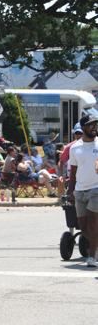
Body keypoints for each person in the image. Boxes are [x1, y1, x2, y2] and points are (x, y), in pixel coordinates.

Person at [66, 115, 98, 268]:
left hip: (96, 189)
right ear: (83, 127)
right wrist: (70, 191)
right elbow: (73, 171)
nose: (94, 127)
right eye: (91, 125)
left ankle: (92, 257)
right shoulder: (75, 148)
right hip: (80, 190)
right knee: (83, 226)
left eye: (95, 124)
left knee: (92, 222)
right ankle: (95, 246)